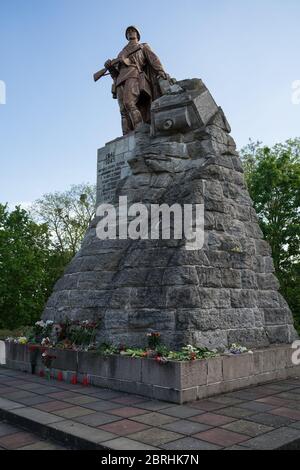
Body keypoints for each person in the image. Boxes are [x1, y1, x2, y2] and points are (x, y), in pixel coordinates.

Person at [105, 26, 168, 135]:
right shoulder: (121, 53)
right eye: (128, 32)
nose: (130, 33)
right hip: (120, 80)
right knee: (123, 111)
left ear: (137, 34)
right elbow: (116, 73)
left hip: (133, 74)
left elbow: (153, 59)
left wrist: (160, 70)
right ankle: (126, 134)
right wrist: (110, 68)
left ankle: (140, 129)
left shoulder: (142, 46)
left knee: (129, 103)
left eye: (132, 31)